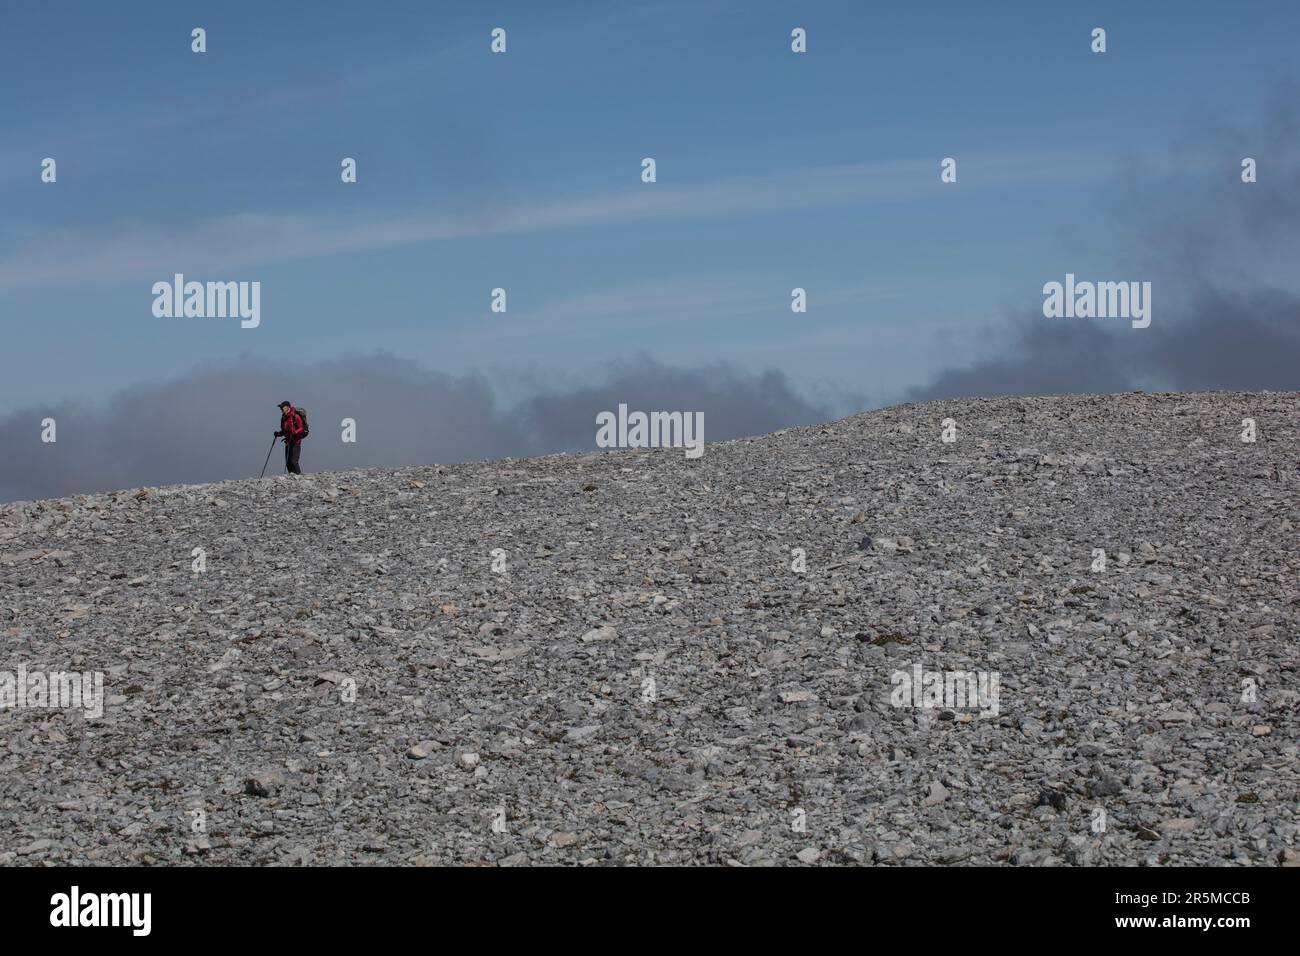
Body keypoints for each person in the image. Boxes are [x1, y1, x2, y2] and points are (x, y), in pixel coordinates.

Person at [274, 401, 307, 474]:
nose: (281, 408)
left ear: (288, 407)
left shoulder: (295, 416)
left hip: (296, 441)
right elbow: (284, 431)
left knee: (294, 461)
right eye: (280, 407)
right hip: (288, 442)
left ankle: (299, 477)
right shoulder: (283, 418)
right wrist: (278, 434)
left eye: (283, 407)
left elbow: (301, 428)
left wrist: (295, 432)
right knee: (288, 463)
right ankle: (292, 478)